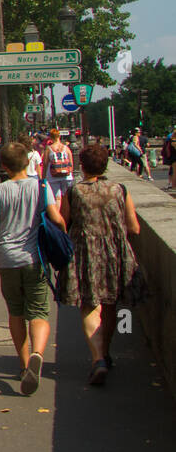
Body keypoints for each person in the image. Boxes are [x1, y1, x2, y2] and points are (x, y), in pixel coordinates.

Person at [0, 141, 67, 396]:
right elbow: (56, 219)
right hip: (34, 260)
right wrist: (64, 238)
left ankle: (23, 366)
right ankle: (37, 354)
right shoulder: (41, 187)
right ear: (27, 162)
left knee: (15, 311)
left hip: (7, 261)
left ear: (5, 167)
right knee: (39, 311)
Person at [58, 143, 140, 385]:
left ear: (82, 166)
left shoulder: (75, 192)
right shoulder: (120, 190)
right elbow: (134, 227)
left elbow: (64, 222)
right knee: (112, 304)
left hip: (85, 253)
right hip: (115, 253)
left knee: (89, 305)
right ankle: (106, 352)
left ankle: (97, 359)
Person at [43, 128, 73, 203]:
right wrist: (70, 173)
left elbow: (45, 164)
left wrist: (43, 178)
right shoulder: (66, 148)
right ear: (59, 136)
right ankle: (65, 214)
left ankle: (57, 213)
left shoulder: (49, 149)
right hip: (66, 176)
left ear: (50, 137)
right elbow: (71, 163)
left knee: (57, 198)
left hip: (53, 176)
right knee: (66, 198)